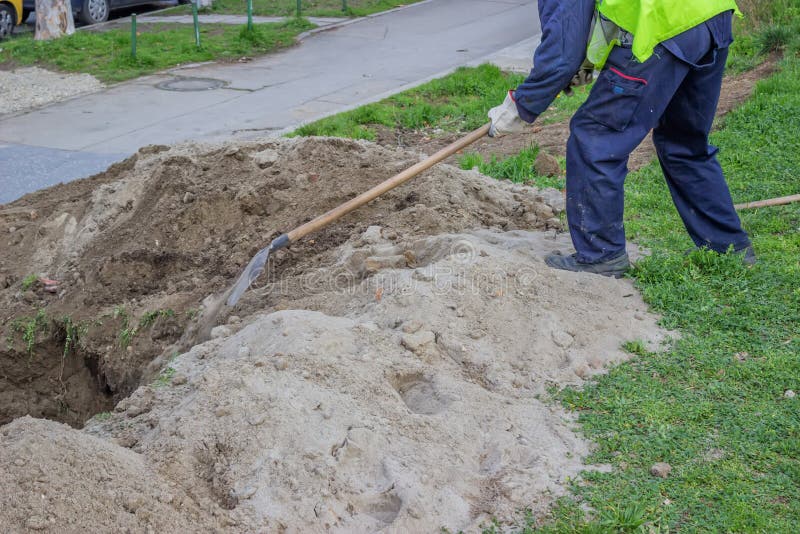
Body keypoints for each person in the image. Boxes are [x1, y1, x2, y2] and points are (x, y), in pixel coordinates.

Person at [488, 0, 755, 277]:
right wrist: (584, 65)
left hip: (661, 25)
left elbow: (561, 52)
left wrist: (521, 105)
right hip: (710, 16)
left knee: (595, 137)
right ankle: (727, 247)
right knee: (683, 142)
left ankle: (601, 254)